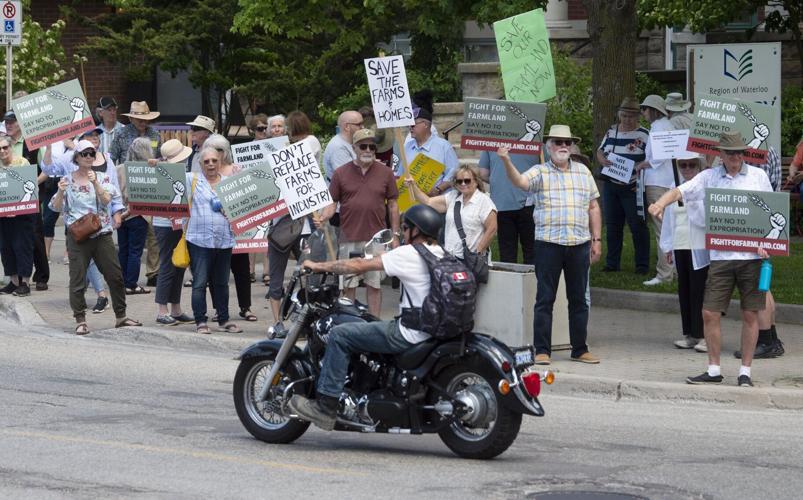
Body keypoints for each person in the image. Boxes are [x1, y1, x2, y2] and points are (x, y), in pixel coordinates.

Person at [288, 204, 446, 430]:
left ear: (415, 231)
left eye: (404, 229)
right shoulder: (443, 253)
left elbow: (359, 265)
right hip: (436, 330)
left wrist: (318, 266)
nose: (401, 234)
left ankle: (325, 407)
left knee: (341, 335)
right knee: (371, 321)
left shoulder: (409, 254)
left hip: (410, 333)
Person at [648, 131, 773, 388]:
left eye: (739, 152)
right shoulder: (709, 177)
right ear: (721, 155)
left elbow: (770, 212)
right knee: (709, 312)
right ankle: (714, 369)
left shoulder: (758, 177)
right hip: (720, 256)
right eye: (730, 153)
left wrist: (767, 243)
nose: (735, 157)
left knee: (750, 314)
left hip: (751, 257)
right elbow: (680, 191)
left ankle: (745, 372)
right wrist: (660, 203)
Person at [499, 125, 602, 365]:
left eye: (567, 142)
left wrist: (596, 240)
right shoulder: (540, 171)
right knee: (545, 298)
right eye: (558, 142)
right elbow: (521, 182)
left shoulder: (584, 172)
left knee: (579, 300)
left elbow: (594, 207)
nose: (563, 146)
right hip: (548, 244)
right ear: (548, 145)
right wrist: (505, 160)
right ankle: (542, 350)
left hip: (579, 243)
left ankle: (580, 348)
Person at [48, 140, 141, 335]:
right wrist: (60, 190)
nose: (89, 156)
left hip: (102, 233)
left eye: (92, 153)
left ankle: (121, 316)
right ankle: (80, 319)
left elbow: (108, 200)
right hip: (78, 236)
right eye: (84, 154)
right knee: (77, 279)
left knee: (115, 276)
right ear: (77, 157)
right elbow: (56, 208)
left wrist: (95, 183)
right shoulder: (67, 179)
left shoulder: (103, 178)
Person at [314, 129, 400, 317]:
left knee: (374, 284)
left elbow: (393, 205)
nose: (368, 150)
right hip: (349, 237)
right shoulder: (340, 173)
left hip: (377, 239)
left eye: (372, 146)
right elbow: (332, 203)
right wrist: (323, 217)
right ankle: (349, 324)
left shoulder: (386, 173)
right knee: (348, 285)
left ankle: (375, 324)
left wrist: (395, 235)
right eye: (363, 146)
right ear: (354, 148)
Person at [184, 146, 240, 334]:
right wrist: (156, 163)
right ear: (200, 163)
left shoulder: (229, 183)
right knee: (199, 282)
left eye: (214, 161)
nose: (210, 164)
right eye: (206, 161)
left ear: (220, 162)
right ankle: (201, 321)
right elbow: (167, 177)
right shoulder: (192, 180)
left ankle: (224, 320)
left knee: (222, 283)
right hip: (199, 240)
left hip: (224, 240)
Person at [658, 153, 710, 352]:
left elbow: (704, 218)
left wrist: (692, 203)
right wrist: (668, 245)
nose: (687, 169)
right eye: (683, 165)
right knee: (685, 290)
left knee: (700, 290)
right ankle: (689, 333)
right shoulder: (675, 186)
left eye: (691, 165)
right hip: (681, 243)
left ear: (698, 166)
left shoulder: (703, 187)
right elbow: (669, 220)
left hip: (699, 245)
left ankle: (703, 334)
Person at [596, 97, 650, 274]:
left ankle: (642, 265)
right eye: (625, 116)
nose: (627, 119)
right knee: (612, 226)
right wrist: (602, 159)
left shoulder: (644, 134)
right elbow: (600, 150)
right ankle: (612, 263)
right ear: (620, 115)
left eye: (631, 116)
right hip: (611, 185)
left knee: (638, 226)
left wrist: (642, 178)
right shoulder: (612, 131)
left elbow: (651, 159)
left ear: (638, 117)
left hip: (633, 186)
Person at [207, 133, 257, 323]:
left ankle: (246, 307)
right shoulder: (205, 173)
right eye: (214, 149)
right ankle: (220, 310)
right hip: (214, 231)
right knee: (216, 273)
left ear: (226, 150)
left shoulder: (236, 169)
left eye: (220, 149)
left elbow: (248, 195)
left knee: (242, 270)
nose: (217, 154)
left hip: (237, 230)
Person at [406, 163, 497, 264]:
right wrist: (412, 185)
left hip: (472, 260)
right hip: (451, 258)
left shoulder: (484, 201)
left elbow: (492, 229)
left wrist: (477, 253)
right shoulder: (452, 197)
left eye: (467, 180)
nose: (463, 184)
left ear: (476, 181)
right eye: (459, 181)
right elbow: (428, 202)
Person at [152, 139, 194, 326]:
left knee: (179, 265)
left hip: (180, 223)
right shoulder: (162, 174)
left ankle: (175, 308)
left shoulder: (181, 174)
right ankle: (162, 310)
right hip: (165, 224)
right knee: (168, 265)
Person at [636, 95, 676, 286]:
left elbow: (659, 157)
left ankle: (664, 274)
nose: (642, 113)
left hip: (657, 182)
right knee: (669, 228)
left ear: (653, 110)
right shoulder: (666, 125)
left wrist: (644, 163)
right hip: (667, 182)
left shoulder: (659, 127)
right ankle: (672, 269)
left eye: (644, 109)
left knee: (662, 230)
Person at [478, 150, 535, 264]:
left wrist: (500, 181)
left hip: (502, 201)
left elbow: (483, 173)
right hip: (529, 201)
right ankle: (533, 281)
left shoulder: (492, 141)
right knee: (532, 251)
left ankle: (509, 280)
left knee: (507, 253)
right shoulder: (536, 141)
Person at [116, 138, 154, 294]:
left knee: (123, 249)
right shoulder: (147, 169)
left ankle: (122, 282)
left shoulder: (119, 168)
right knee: (135, 252)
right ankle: (131, 284)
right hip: (139, 214)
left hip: (121, 214)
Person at [0, 135, 35, 296]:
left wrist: (17, 207)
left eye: (5, 148)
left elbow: (30, 187)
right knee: (6, 248)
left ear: (11, 148)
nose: (2, 151)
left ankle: (25, 283)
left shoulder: (22, 163)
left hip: (22, 215)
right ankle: (13, 283)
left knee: (23, 247)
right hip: (3, 216)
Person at [404, 107, 459, 196]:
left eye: (413, 125)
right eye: (408, 125)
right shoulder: (407, 147)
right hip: (411, 202)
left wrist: (437, 190)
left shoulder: (444, 146)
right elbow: (400, 174)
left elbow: (453, 174)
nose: (410, 128)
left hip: (436, 202)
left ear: (425, 124)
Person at [323, 110, 361, 181]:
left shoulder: (349, 141)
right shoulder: (338, 147)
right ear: (347, 126)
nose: (363, 127)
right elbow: (348, 178)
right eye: (359, 124)